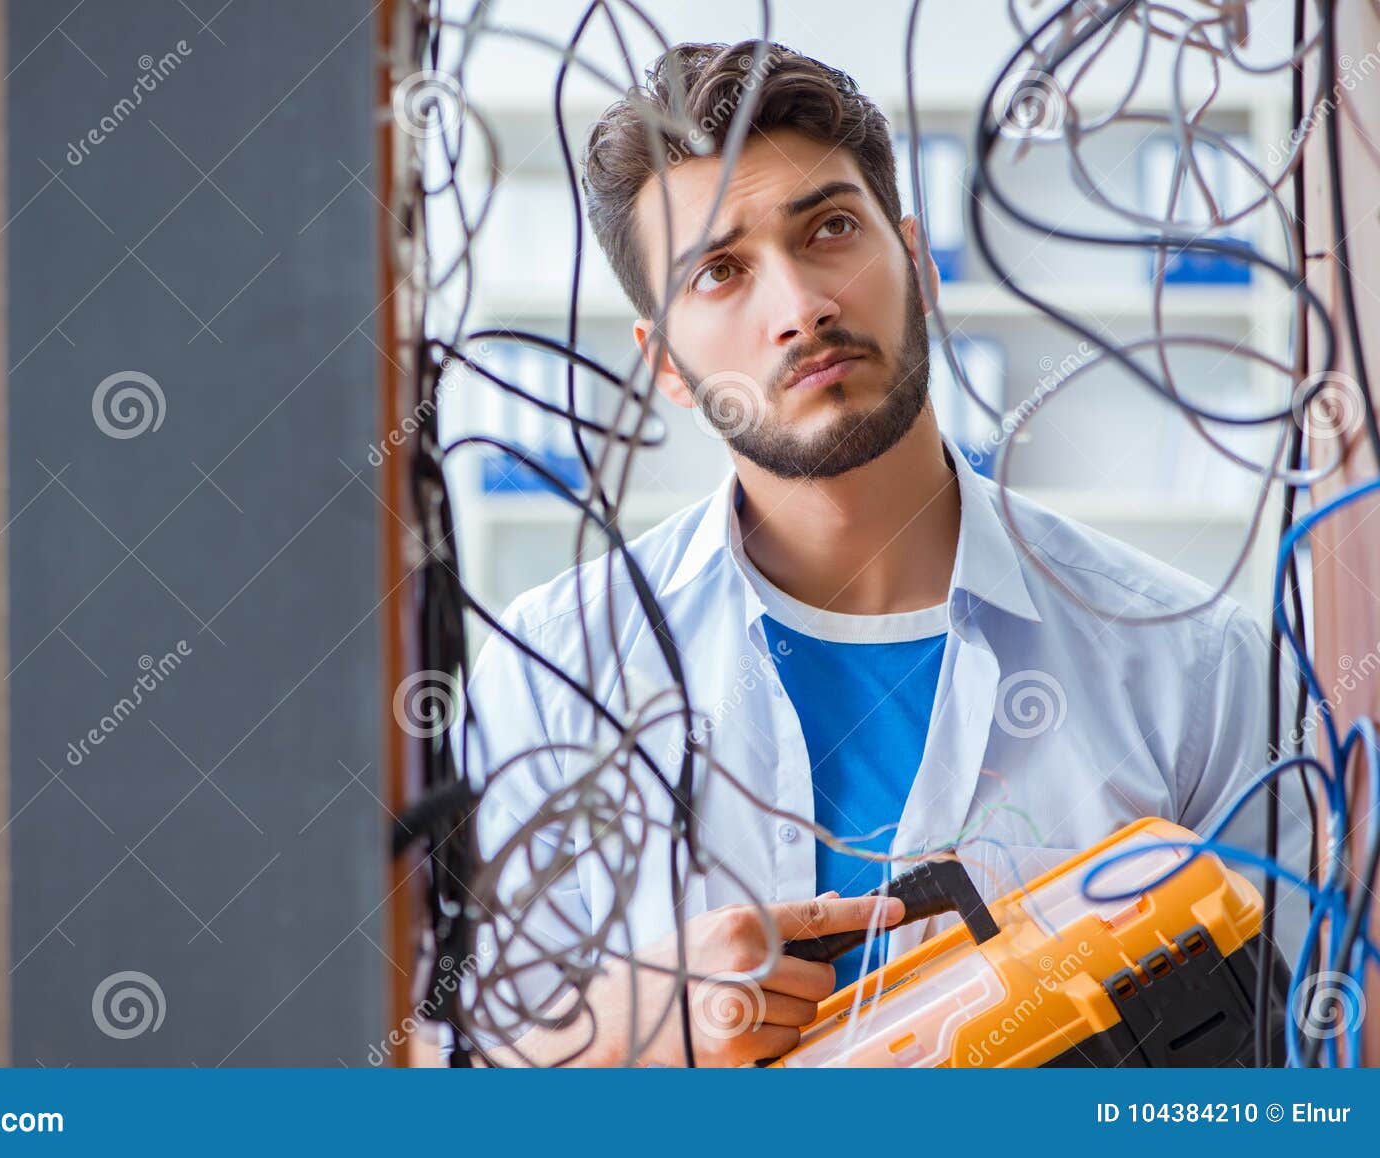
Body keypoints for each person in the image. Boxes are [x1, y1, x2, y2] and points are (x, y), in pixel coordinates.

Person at [458, 40, 1273, 1067]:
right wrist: (612, 1038)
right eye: (719, 272)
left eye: (830, 228)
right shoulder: (550, 677)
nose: (799, 307)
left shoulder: (1192, 663)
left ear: (917, 261)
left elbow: (1307, 1070)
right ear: (664, 363)